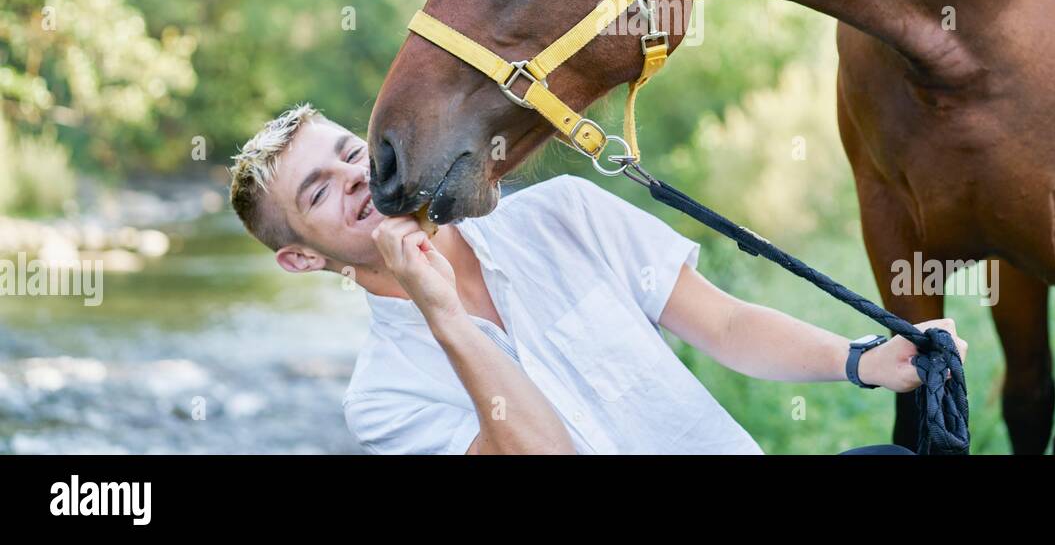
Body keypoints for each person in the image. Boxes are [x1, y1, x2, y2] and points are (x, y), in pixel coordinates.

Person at [228, 104, 967, 454]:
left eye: (352, 151)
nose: (356, 179)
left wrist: (861, 358)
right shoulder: (382, 398)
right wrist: (446, 316)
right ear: (301, 256)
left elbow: (726, 325)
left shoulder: (564, 211)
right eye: (319, 191)